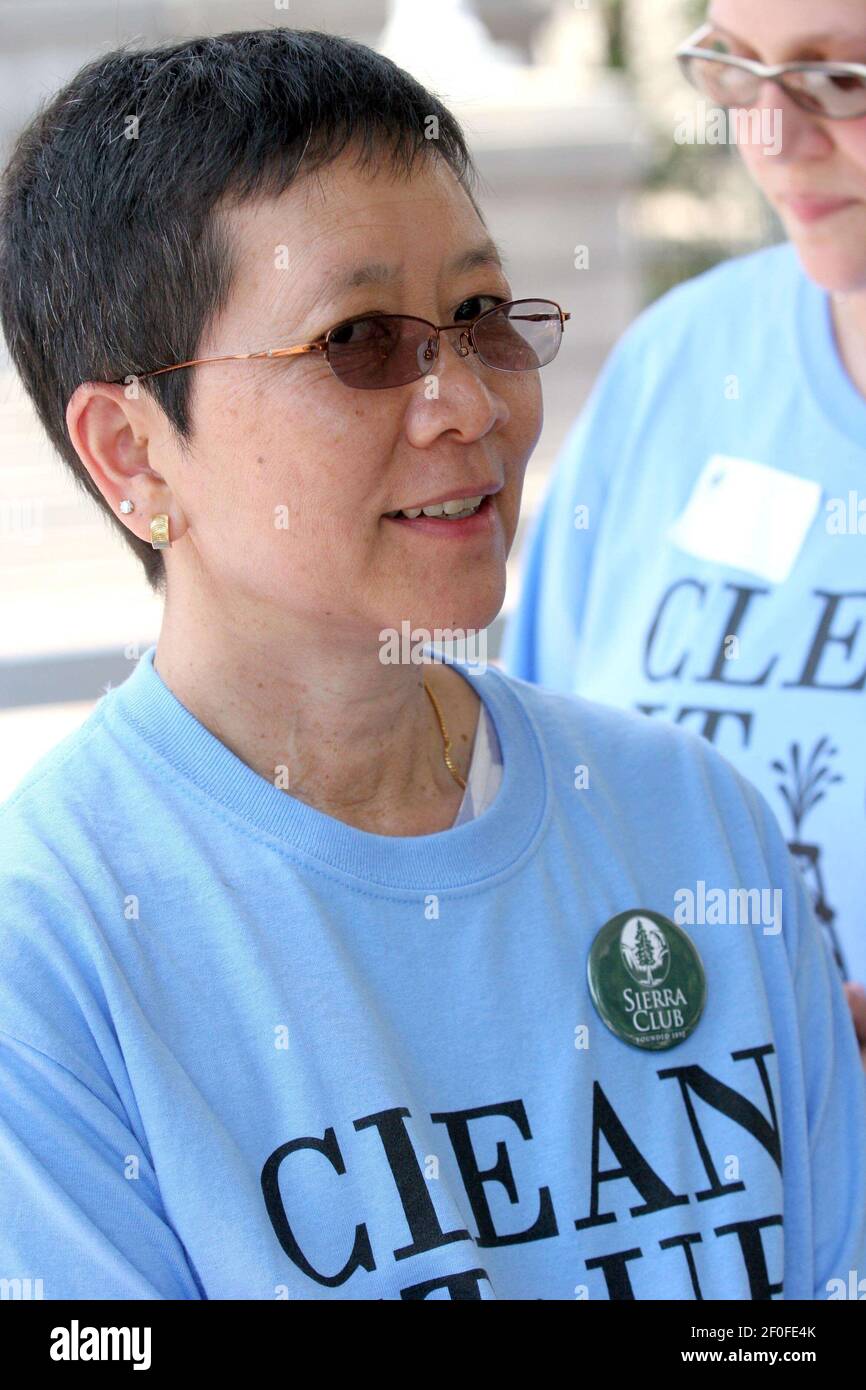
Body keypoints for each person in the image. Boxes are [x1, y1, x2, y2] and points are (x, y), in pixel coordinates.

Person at [0, 27, 863, 1303]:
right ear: (132, 454)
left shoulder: (692, 820)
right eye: (356, 341)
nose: (462, 401)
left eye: (476, 317)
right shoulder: (52, 950)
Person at [502, 0, 866, 1058]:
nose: (768, 137)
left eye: (837, 82)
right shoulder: (680, 368)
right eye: (733, 68)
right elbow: (541, 819)